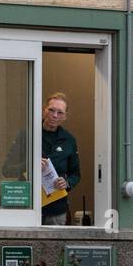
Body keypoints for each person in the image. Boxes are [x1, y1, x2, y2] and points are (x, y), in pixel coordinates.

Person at [40, 92, 80, 226]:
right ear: (43, 109)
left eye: (60, 112)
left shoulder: (69, 140)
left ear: (65, 116)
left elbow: (76, 174)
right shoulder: (28, 134)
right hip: (29, 205)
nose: (55, 115)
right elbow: (7, 168)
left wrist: (67, 182)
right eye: (51, 110)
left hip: (56, 208)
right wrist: (30, 165)